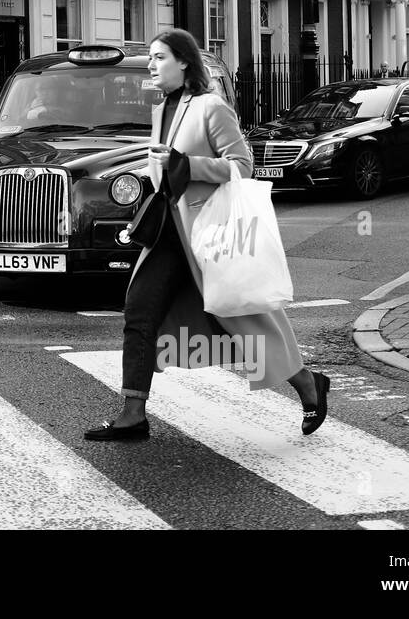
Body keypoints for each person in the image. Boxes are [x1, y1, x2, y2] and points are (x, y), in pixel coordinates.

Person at [85, 28, 329, 441]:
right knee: (139, 311)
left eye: (159, 57)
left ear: (184, 61)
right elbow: (164, 166)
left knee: (244, 316)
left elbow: (242, 166)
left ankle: (307, 384)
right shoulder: (162, 109)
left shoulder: (211, 107)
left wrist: (188, 164)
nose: (151, 64)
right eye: (151, 58)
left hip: (208, 235)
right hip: (168, 230)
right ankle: (133, 413)